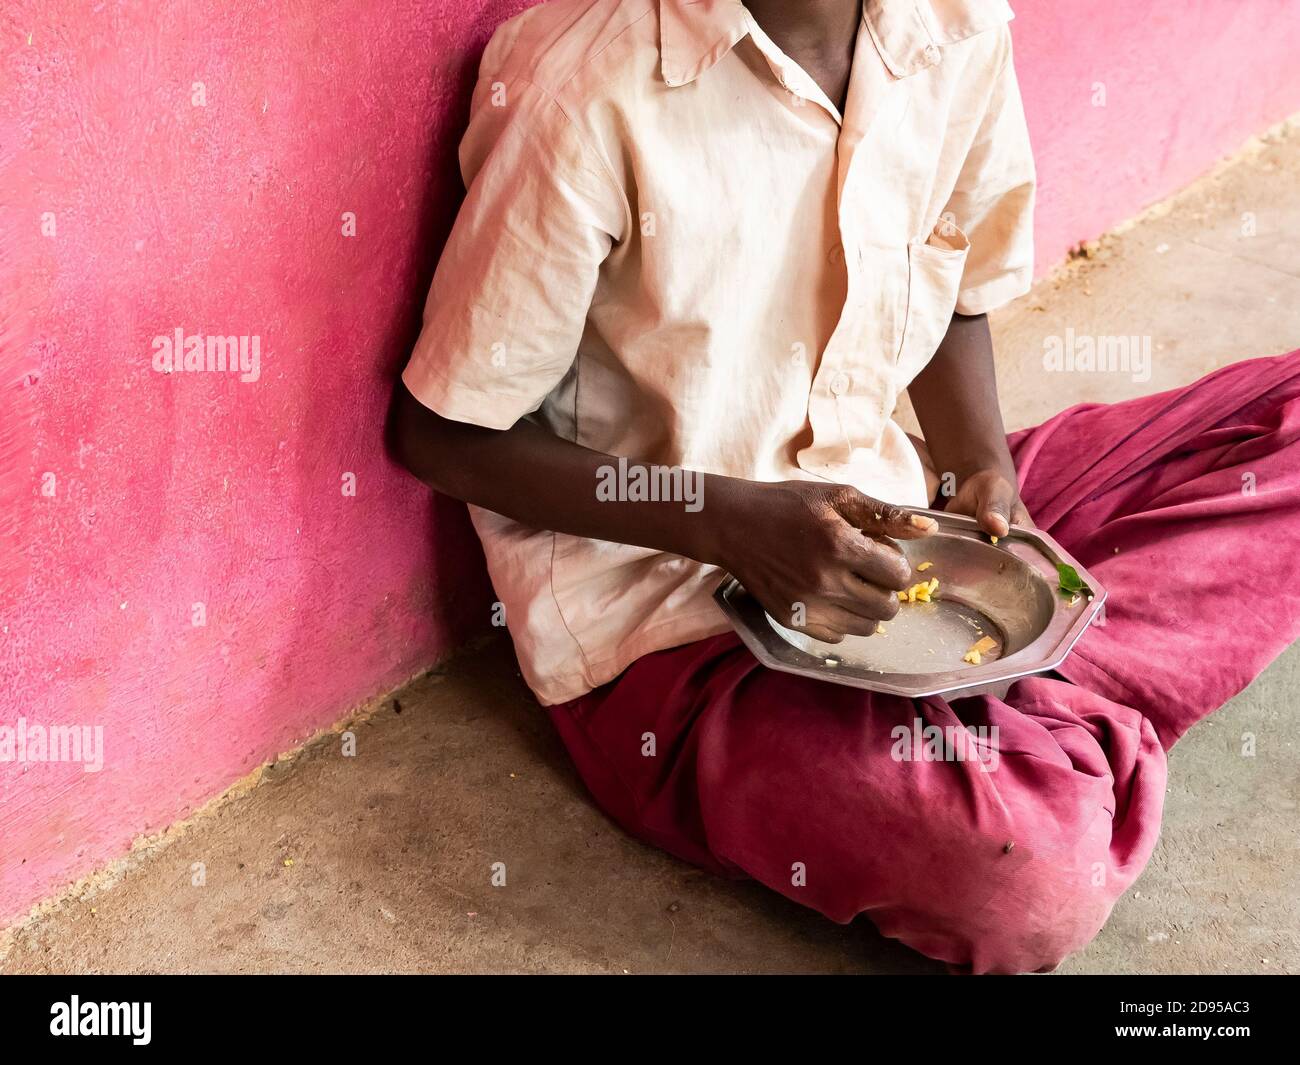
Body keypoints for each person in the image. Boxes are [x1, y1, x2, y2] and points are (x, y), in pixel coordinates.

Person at [391, 0, 1300, 972]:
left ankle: (1034, 705)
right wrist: (730, 521)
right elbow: (446, 435)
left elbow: (948, 290)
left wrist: (980, 474)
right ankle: (1048, 707)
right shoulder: (590, 85)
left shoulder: (949, 23)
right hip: (676, 619)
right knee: (1029, 880)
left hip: (902, 512)